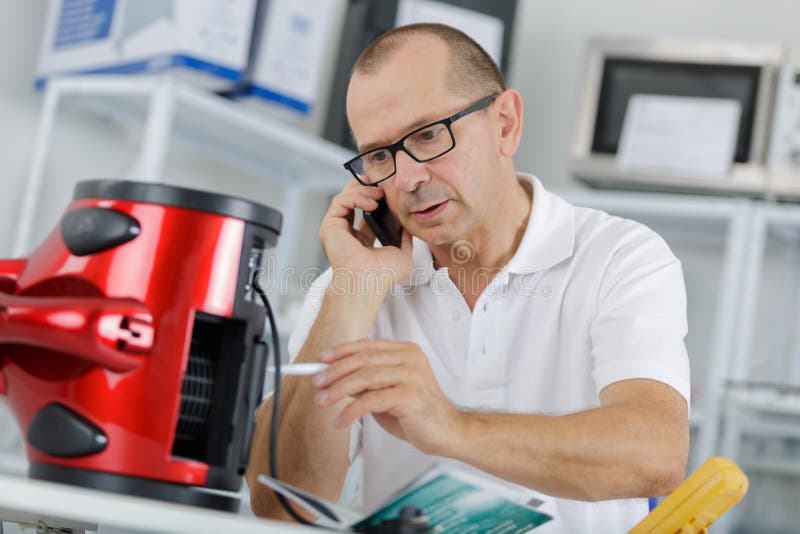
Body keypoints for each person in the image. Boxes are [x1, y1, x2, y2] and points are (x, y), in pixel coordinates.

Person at [246, 22, 690, 533]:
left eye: (429, 134)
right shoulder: (352, 287)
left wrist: (450, 426)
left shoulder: (619, 256)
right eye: (379, 155)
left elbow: (655, 455)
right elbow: (280, 503)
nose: (408, 178)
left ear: (505, 123)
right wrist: (352, 292)